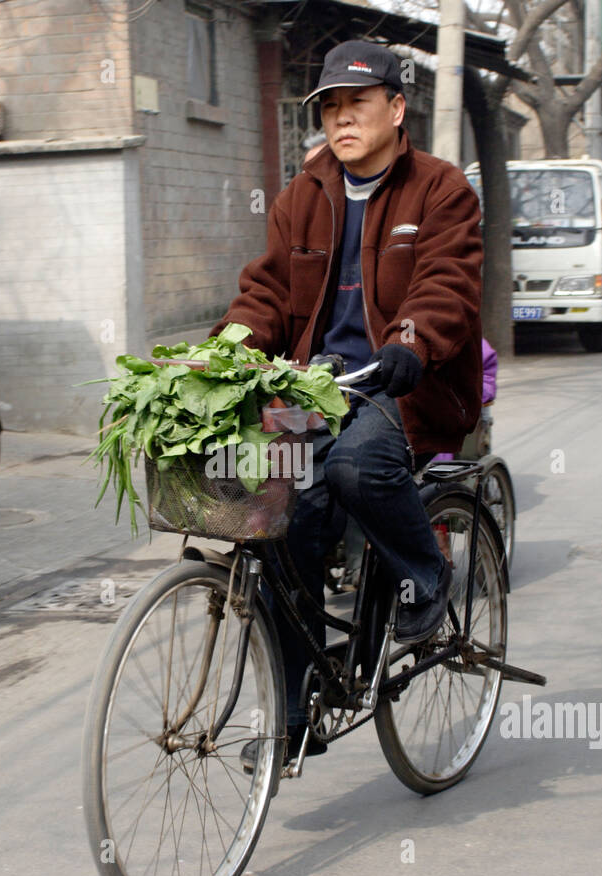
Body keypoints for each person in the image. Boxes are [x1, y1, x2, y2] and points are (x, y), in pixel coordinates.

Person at [210, 40, 484, 766]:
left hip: (405, 387)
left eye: (356, 103)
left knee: (357, 468)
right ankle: (295, 711)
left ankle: (429, 573)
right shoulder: (305, 195)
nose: (341, 118)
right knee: (273, 518)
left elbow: (448, 283)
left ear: (396, 109)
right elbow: (265, 294)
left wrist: (411, 341)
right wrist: (225, 354)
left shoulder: (441, 190)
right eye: (329, 106)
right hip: (311, 389)